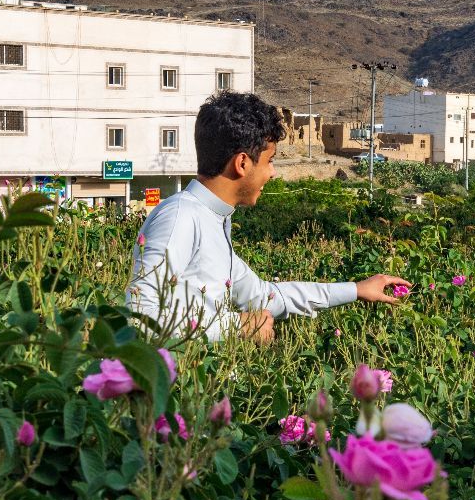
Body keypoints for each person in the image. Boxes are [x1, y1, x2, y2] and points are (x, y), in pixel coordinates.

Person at [127, 91, 409, 343]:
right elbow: (139, 320)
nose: (273, 173)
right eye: (270, 160)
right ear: (242, 163)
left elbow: (265, 297)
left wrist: (357, 290)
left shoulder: (212, 220)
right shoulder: (180, 217)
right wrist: (234, 326)